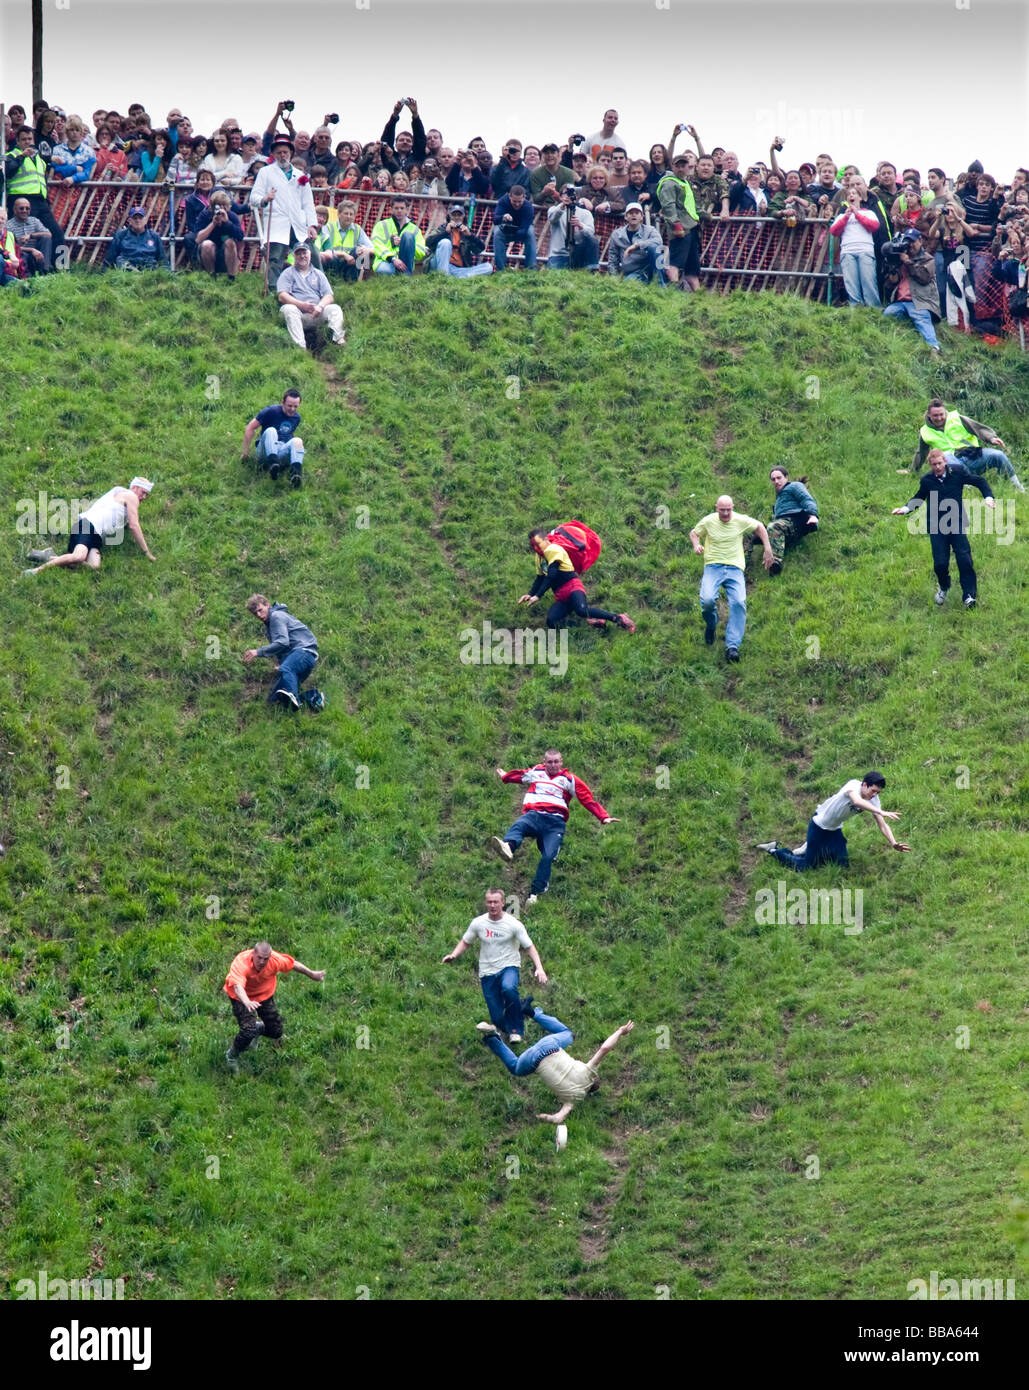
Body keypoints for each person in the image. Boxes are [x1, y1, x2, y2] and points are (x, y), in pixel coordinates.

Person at [479, 1007, 635, 1139]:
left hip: (549, 1044)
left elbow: (605, 1048)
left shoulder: (588, 1072)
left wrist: (620, 1031)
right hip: (533, 1060)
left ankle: (535, 1012)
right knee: (514, 1066)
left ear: (595, 1078)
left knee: (567, 1034)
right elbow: (558, 1118)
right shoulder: (574, 1099)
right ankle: (492, 1037)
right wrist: (544, 1117)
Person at [492, 748, 620, 906]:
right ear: (544, 762)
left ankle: (535, 892)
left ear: (561, 762)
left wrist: (603, 816)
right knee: (519, 825)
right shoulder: (536, 771)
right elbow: (521, 775)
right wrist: (506, 777)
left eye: (556, 762)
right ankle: (508, 847)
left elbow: (587, 799)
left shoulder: (569, 779)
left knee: (548, 856)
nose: (553, 765)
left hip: (555, 822)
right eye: (549, 762)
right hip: (534, 815)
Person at [891, 448, 995, 608]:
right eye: (934, 465)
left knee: (964, 559)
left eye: (940, 463)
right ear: (930, 465)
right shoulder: (927, 480)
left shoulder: (958, 472)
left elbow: (979, 481)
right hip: (937, 527)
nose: (938, 467)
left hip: (956, 523)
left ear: (945, 462)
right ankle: (944, 586)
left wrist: (988, 497)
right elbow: (919, 497)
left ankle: (969, 596)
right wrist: (905, 509)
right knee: (940, 564)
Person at [442, 888, 548, 1044]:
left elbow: (529, 947)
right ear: (486, 903)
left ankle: (515, 1030)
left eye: (495, 902)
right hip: (487, 971)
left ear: (503, 903)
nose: (492, 905)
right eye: (489, 902)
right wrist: (454, 955)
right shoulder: (478, 923)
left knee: (508, 988)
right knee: (497, 1017)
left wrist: (539, 968)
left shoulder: (513, 924)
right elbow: (466, 942)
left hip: (508, 966)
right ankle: (514, 1017)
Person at [757, 772, 910, 869]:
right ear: (864, 784)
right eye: (873, 791)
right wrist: (881, 811)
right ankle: (775, 850)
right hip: (819, 826)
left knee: (842, 865)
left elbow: (882, 825)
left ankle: (808, 849)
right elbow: (856, 802)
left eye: (878, 792)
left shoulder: (873, 801)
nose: (874, 795)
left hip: (834, 830)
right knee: (806, 867)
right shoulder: (853, 786)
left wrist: (893, 842)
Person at [689, 496, 774, 661]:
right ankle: (711, 625)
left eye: (729, 509)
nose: (726, 513)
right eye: (722, 510)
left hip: (735, 568)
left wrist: (768, 547)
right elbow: (694, 533)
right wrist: (696, 545)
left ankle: (732, 646)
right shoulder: (708, 521)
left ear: (733, 508)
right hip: (713, 566)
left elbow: (760, 528)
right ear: (716, 508)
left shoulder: (741, 520)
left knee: (738, 603)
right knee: (707, 601)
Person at [223, 940, 326, 1070]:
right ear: (253, 953)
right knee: (248, 1031)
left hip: (264, 995)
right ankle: (232, 1055)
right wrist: (247, 1002)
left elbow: (293, 964)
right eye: (259, 958)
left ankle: (258, 1029)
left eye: (265, 959)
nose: (262, 962)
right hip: (240, 997)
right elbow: (237, 987)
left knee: (276, 1031)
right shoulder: (241, 962)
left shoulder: (275, 960)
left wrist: (312, 974)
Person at [23, 478, 155, 575]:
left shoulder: (120, 497)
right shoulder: (131, 496)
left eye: (146, 495)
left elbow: (123, 521)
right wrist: (146, 552)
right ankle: (36, 571)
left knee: (93, 566)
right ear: (134, 488)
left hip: (96, 535)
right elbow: (134, 525)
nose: (143, 497)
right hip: (88, 526)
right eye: (143, 492)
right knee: (79, 556)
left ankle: (49, 556)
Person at [522, 524, 635, 633]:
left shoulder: (553, 549)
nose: (536, 548)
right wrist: (530, 594)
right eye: (533, 546)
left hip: (573, 588)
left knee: (581, 610)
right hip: (561, 596)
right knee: (552, 621)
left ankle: (618, 618)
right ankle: (588, 624)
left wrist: (538, 595)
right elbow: (540, 578)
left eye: (538, 544)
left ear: (546, 539)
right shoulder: (538, 558)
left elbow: (551, 575)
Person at [250, 135, 320, 280]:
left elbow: (308, 203)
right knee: (275, 260)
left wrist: (312, 225)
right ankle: (272, 293)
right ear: (273, 155)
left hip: (298, 224)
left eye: (285, 152)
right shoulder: (265, 172)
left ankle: (319, 288)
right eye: (279, 153)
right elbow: (254, 198)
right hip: (276, 224)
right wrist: (265, 199)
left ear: (291, 153)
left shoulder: (300, 175)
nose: (282, 155)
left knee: (312, 256)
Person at [914, 398, 1024, 490]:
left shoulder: (956, 418)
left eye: (941, 414)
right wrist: (913, 470)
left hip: (973, 457)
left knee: (999, 455)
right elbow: (921, 453)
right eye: (935, 415)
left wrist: (991, 438)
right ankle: (965, 483)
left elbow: (977, 427)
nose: (939, 418)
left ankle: (1017, 487)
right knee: (945, 456)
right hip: (952, 466)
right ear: (929, 415)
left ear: (945, 412)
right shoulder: (925, 432)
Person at [243, 594, 320, 709]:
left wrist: (258, 652)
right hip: (301, 658)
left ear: (267, 605)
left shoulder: (276, 616)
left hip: (304, 652)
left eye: (260, 610)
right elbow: (283, 648)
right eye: (255, 613)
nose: (259, 615)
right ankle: (313, 698)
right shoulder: (270, 624)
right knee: (275, 699)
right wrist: (283, 662)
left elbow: (283, 642)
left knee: (286, 673)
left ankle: (294, 698)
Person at [4, 126, 68, 262]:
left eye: (29, 139)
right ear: (17, 141)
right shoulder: (11, 155)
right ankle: (26, 270)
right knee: (23, 237)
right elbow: (9, 171)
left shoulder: (38, 158)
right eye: (24, 139)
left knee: (57, 233)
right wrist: (22, 156)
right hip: (21, 201)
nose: (27, 142)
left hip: (40, 201)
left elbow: (41, 181)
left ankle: (62, 268)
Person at [276, 241, 345, 351]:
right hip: (298, 314)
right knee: (289, 308)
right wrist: (301, 305)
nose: (302, 256)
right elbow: (282, 296)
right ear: (294, 256)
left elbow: (329, 296)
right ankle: (300, 348)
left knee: (335, 309)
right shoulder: (287, 273)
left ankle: (338, 341)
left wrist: (320, 306)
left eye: (304, 253)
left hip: (316, 313)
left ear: (310, 254)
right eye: (298, 254)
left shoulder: (318, 274)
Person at [881, 227, 941, 353]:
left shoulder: (928, 258)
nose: (911, 245)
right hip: (900, 302)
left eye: (913, 242)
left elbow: (923, 277)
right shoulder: (901, 258)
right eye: (908, 242)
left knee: (921, 318)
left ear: (920, 241)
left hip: (919, 301)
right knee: (887, 315)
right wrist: (892, 267)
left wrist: (908, 262)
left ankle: (934, 347)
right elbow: (891, 283)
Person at [830, 178, 882, 307]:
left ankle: (873, 310)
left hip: (865, 251)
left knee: (869, 282)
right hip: (847, 252)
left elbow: (873, 226)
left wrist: (857, 214)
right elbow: (834, 231)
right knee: (851, 284)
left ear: (860, 198)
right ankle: (857, 312)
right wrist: (847, 216)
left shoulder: (869, 213)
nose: (851, 196)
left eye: (854, 194)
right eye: (849, 195)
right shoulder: (842, 216)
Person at [241, 388, 305, 485]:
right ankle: (273, 464)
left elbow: (290, 434)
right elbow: (250, 428)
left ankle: (295, 475)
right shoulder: (271, 411)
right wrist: (245, 453)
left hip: (281, 450)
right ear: (283, 402)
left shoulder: (297, 418)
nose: (292, 409)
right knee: (271, 431)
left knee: (298, 440)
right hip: (265, 451)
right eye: (290, 406)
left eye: (295, 406)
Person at [657, 152, 701, 290]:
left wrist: (703, 214)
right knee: (675, 263)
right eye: (678, 166)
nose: (681, 169)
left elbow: (688, 205)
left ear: (688, 166)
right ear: (672, 167)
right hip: (681, 229)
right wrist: (676, 225)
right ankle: (673, 294)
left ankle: (698, 298)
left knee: (692, 269)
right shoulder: (669, 183)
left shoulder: (685, 182)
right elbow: (668, 206)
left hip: (691, 227)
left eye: (684, 166)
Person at [764, 467, 819, 573]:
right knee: (751, 532)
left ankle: (775, 562)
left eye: (779, 478)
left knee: (773, 526)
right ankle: (739, 566)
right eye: (773, 479)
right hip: (781, 527)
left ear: (786, 477)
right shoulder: (779, 498)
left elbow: (806, 499)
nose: (776, 481)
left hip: (794, 523)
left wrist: (813, 514)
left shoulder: (795, 486)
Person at [425, 203, 493, 277]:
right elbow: (428, 242)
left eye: (459, 215)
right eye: (454, 215)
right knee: (445, 242)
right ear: (449, 216)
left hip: (458, 269)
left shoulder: (466, 231)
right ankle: (444, 276)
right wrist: (445, 233)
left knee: (488, 267)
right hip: (438, 265)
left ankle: (457, 277)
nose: (456, 217)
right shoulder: (443, 228)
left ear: (463, 217)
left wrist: (470, 236)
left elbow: (480, 249)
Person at [607, 202, 666, 284]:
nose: (633, 215)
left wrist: (636, 245)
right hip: (633, 272)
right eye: (630, 213)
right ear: (625, 217)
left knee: (655, 248)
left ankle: (661, 285)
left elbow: (659, 241)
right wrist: (613, 278)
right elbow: (613, 258)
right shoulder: (617, 234)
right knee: (627, 285)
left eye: (637, 213)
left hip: (650, 268)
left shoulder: (650, 230)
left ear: (642, 217)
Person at [370, 196, 427, 275]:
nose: (399, 211)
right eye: (396, 208)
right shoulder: (381, 225)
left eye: (402, 208)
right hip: (386, 261)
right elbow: (377, 246)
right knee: (385, 270)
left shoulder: (415, 229)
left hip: (406, 264)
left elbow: (421, 252)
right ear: (391, 210)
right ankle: (405, 276)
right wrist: (393, 259)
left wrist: (404, 244)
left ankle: (404, 275)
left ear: (406, 210)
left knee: (407, 236)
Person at [193, 189, 243, 278]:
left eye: (224, 206)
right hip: (208, 253)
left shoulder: (232, 216)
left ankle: (231, 278)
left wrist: (227, 223)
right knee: (207, 244)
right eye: (218, 206)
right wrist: (213, 224)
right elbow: (198, 239)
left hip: (228, 253)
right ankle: (212, 276)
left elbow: (240, 236)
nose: (222, 209)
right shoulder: (205, 215)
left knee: (230, 242)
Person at [546, 185, 597, 271]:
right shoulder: (554, 209)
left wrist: (580, 225)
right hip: (559, 254)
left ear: (576, 196)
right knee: (553, 277)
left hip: (578, 253)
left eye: (571, 193)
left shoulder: (585, 213)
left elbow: (591, 233)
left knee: (593, 240)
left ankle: (592, 270)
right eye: (566, 193)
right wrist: (563, 205)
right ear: (561, 196)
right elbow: (552, 218)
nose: (568, 196)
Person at [101, 206, 168, 270]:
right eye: (135, 218)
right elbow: (110, 257)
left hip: (149, 269)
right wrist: (104, 274)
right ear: (129, 220)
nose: (138, 220)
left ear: (145, 220)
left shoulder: (154, 236)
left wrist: (166, 274)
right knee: (120, 260)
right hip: (126, 270)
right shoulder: (121, 235)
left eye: (140, 218)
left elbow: (162, 259)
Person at [491, 183, 537, 270]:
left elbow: (524, 228)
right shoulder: (503, 201)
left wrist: (515, 233)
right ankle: (501, 269)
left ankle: (531, 269)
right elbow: (495, 220)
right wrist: (503, 217)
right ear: (509, 196)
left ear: (524, 197)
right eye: (514, 201)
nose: (517, 204)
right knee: (497, 233)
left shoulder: (528, 206)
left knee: (530, 233)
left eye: (519, 201)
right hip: (506, 228)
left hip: (522, 229)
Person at [8, 195, 52, 274]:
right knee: (23, 256)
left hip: (37, 254)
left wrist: (31, 235)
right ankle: (27, 277)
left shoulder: (34, 221)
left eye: (27, 208)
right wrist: (31, 250)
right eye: (21, 208)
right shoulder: (9, 226)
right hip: (21, 254)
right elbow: (9, 249)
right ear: (15, 210)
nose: (24, 211)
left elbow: (49, 234)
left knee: (46, 239)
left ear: (30, 210)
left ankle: (45, 271)